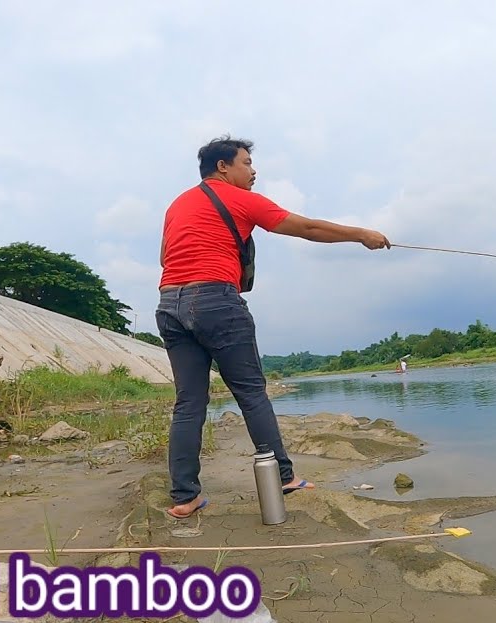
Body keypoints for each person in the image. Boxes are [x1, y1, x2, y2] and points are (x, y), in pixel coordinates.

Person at [156, 135, 391, 518]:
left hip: (169, 304)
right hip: (215, 298)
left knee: (189, 403)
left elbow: (166, 255)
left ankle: (184, 497)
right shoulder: (240, 199)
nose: (253, 171)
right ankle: (283, 476)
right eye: (247, 163)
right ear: (223, 167)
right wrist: (362, 234)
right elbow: (308, 229)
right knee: (251, 393)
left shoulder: (178, 204)